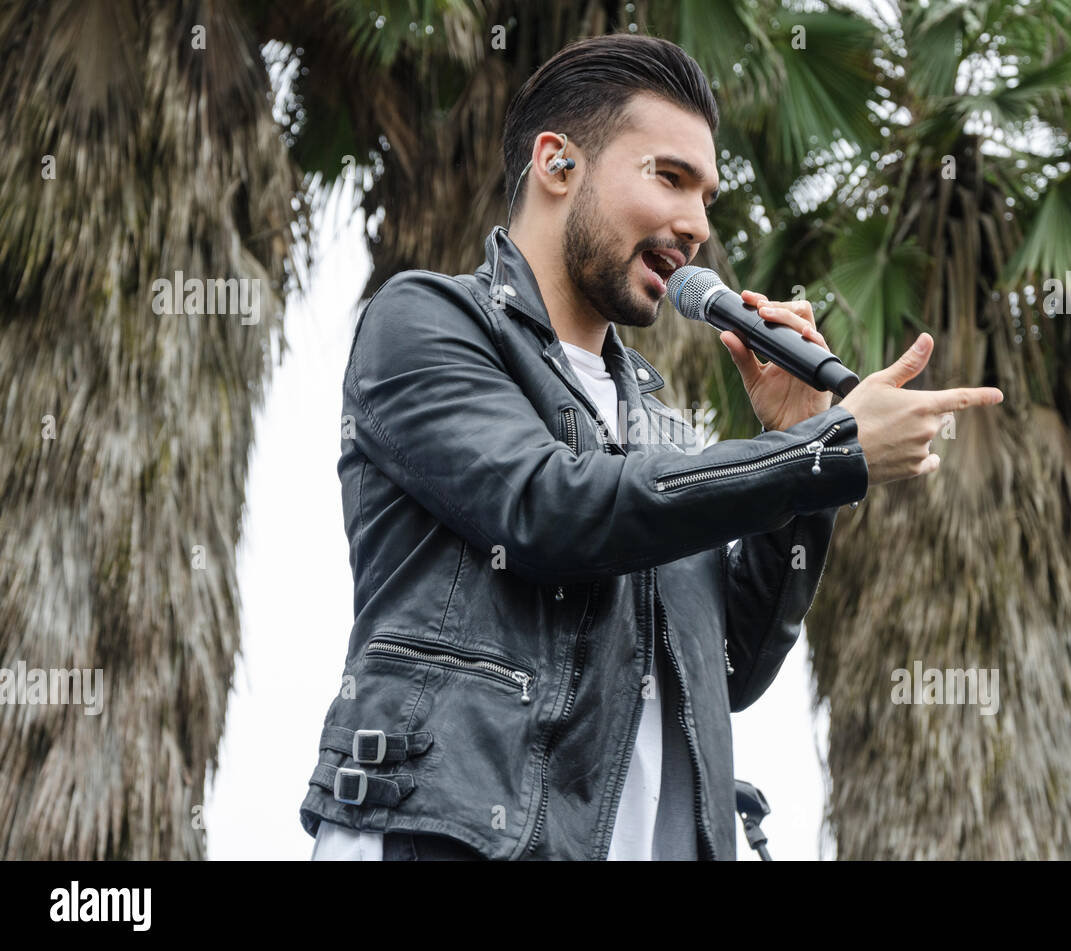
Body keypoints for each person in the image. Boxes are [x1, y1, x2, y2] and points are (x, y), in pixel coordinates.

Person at [301, 33, 1003, 861]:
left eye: (707, 196)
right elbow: (549, 508)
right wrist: (827, 451)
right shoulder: (426, 322)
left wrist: (794, 445)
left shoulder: (655, 425)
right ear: (558, 164)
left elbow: (730, 668)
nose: (696, 224)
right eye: (669, 177)